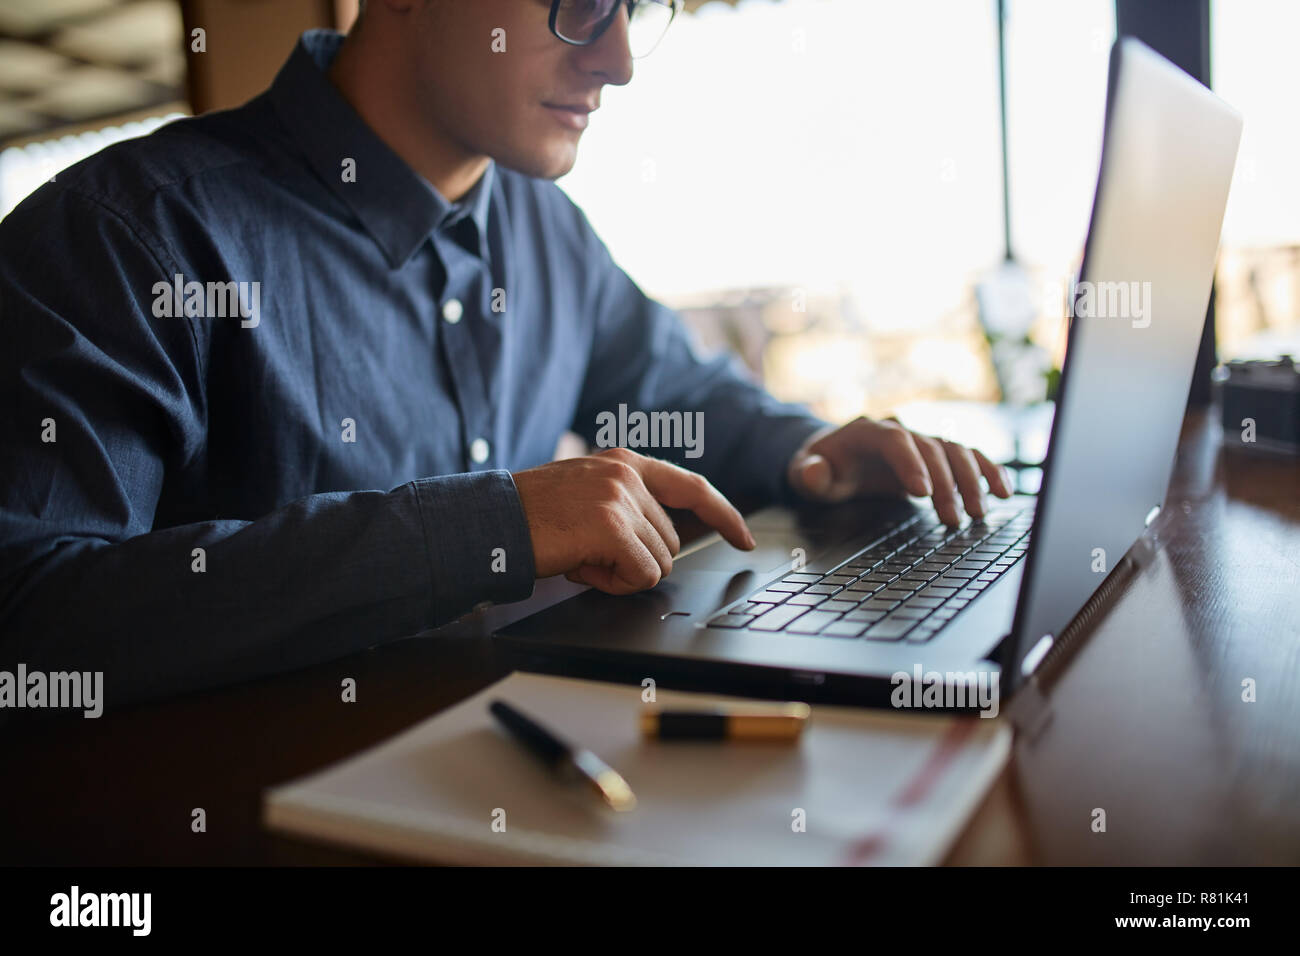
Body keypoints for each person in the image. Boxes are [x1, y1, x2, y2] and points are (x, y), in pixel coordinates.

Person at [0, 0, 1011, 709]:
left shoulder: (545, 230)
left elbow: (677, 392)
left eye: (629, 3)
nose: (616, 59)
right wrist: (489, 522)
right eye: (572, 1)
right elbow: (30, 615)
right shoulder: (129, 237)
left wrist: (812, 447)